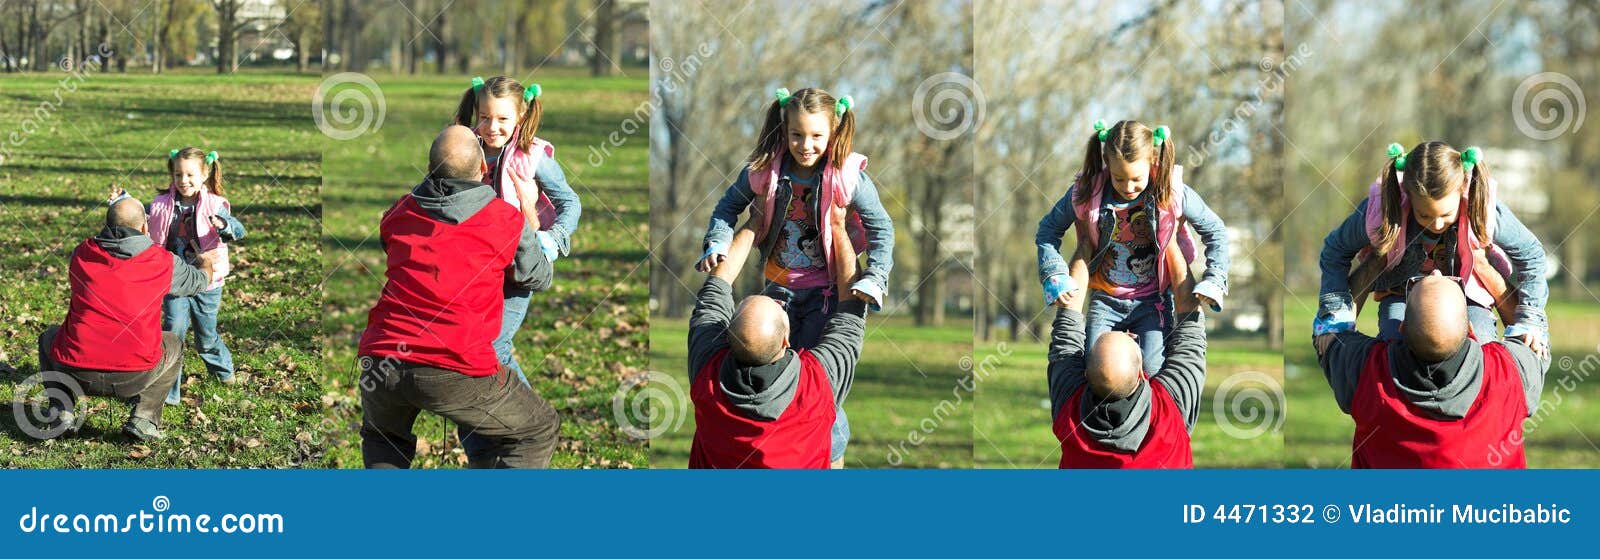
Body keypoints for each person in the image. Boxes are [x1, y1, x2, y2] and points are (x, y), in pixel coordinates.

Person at [357, 125, 560, 469]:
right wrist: (531, 221)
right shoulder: (504, 218)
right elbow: (538, 276)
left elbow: (393, 239)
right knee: (537, 428)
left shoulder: (400, 212)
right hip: (453, 364)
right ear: (484, 169)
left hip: (380, 360)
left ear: (428, 169)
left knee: (384, 440)